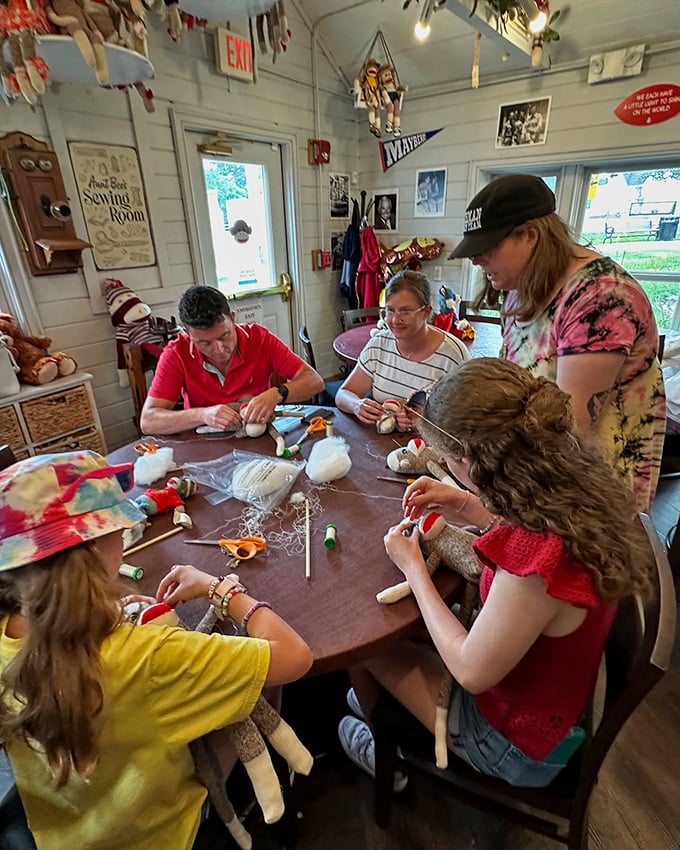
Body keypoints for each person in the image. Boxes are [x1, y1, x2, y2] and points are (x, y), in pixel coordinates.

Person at [338, 357, 655, 789]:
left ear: (468, 460)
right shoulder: (565, 483)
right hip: (551, 698)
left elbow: (470, 669)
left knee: (364, 645)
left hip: (511, 743)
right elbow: (517, 524)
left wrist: (414, 569)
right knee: (399, 639)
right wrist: (466, 503)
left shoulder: (536, 561)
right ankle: (384, 698)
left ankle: (384, 751)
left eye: (446, 459)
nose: (444, 465)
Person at [0, 450, 312, 850]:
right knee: (259, 688)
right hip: (156, 833)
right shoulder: (145, 654)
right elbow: (294, 656)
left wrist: (106, 611)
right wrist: (221, 589)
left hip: (60, 832)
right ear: (96, 549)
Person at [448, 173, 665, 513]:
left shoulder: (601, 298)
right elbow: (512, 381)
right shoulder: (519, 287)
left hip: (591, 496)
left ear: (530, 235)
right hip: (535, 477)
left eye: (487, 247)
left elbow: (568, 428)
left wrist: (481, 481)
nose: (476, 259)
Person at [140, 286, 324, 435]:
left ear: (233, 319)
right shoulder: (176, 353)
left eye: (225, 336)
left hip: (257, 436)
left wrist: (277, 394)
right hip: (205, 442)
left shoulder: (259, 339)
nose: (219, 349)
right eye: (204, 343)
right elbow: (148, 421)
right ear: (188, 334)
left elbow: (314, 381)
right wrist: (203, 414)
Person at [335, 270, 469, 431]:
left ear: (426, 312)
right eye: (390, 310)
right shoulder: (379, 344)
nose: (395, 320)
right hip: (382, 443)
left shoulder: (453, 355)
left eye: (405, 311)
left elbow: (467, 419)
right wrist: (356, 405)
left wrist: (423, 422)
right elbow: (343, 394)